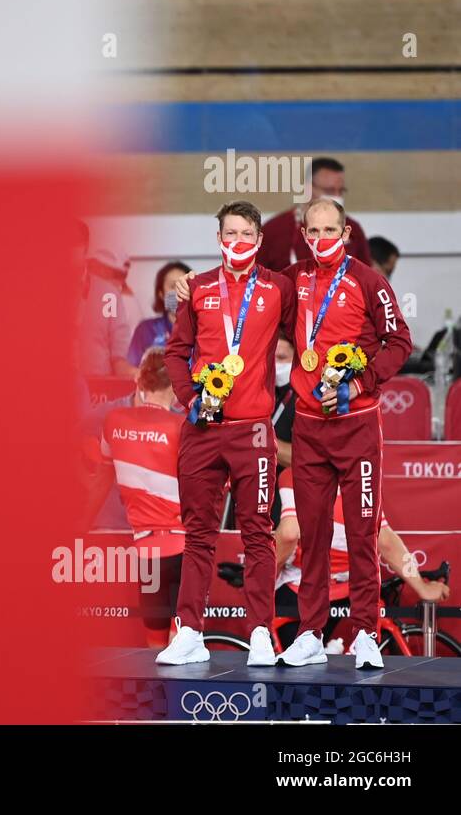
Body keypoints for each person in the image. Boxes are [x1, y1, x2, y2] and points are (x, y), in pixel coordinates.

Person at [275, 197, 413, 669]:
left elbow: (400, 342)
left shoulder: (369, 281)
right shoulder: (292, 280)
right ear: (303, 233)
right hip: (310, 428)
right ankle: (311, 633)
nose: (321, 240)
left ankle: (366, 635)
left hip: (357, 428)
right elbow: (248, 303)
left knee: (361, 534)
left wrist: (359, 382)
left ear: (347, 232)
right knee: (312, 537)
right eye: (313, 232)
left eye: (329, 230)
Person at [157, 200, 295, 667]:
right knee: (198, 534)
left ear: (258, 240)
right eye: (229, 232)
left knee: (258, 532)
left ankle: (259, 632)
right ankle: (190, 630)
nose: (236, 241)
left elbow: (308, 335)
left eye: (245, 234)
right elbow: (176, 352)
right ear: (218, 237)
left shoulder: (280, 288)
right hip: (201, 427)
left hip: (253, 431)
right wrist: (188, 397)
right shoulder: (195, 289)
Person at [274, 467, 449, 650]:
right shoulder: (362, 476)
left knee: (301, 671)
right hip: (354, 587)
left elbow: (288, 534)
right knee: (361, 659)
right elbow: (385, 540)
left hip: (304, 588)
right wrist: (422, 588)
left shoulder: (295, 473)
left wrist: (266, 579)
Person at [85, 347, 186, 647]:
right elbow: (211, 490)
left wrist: (79, 526)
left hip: (146, 553)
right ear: (175, 386)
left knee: (154, 648)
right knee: (183, 649)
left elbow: (100, 482)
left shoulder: (113, 421)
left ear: (140, 381)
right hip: (186, 550)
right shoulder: (184, 429)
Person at [258, 159, 372, 271]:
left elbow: (366, 278)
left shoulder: (352, 229)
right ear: (308, 188)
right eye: (329, 191)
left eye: (341, 191)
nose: (337, 196)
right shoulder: (274, 230)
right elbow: (257, 280)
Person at [80, 247, 138, 377]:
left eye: (122, 275)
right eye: (115, 274)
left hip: (104, 384)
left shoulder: (119, 299)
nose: (119, 281)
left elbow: (121, 357)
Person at [126, 261, 191, 367]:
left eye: (184, 285)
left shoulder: (203, 329)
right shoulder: (145, 330)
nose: (179, 291)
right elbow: (131, 370)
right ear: (161, 294)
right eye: (173, 285)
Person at [272, 336, 297, 472]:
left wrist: (260, 439)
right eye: (272, 358)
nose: (275, 364)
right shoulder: (266, 390)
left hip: (288, 488)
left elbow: (306, 457)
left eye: (281, 358)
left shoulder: (303, 399)